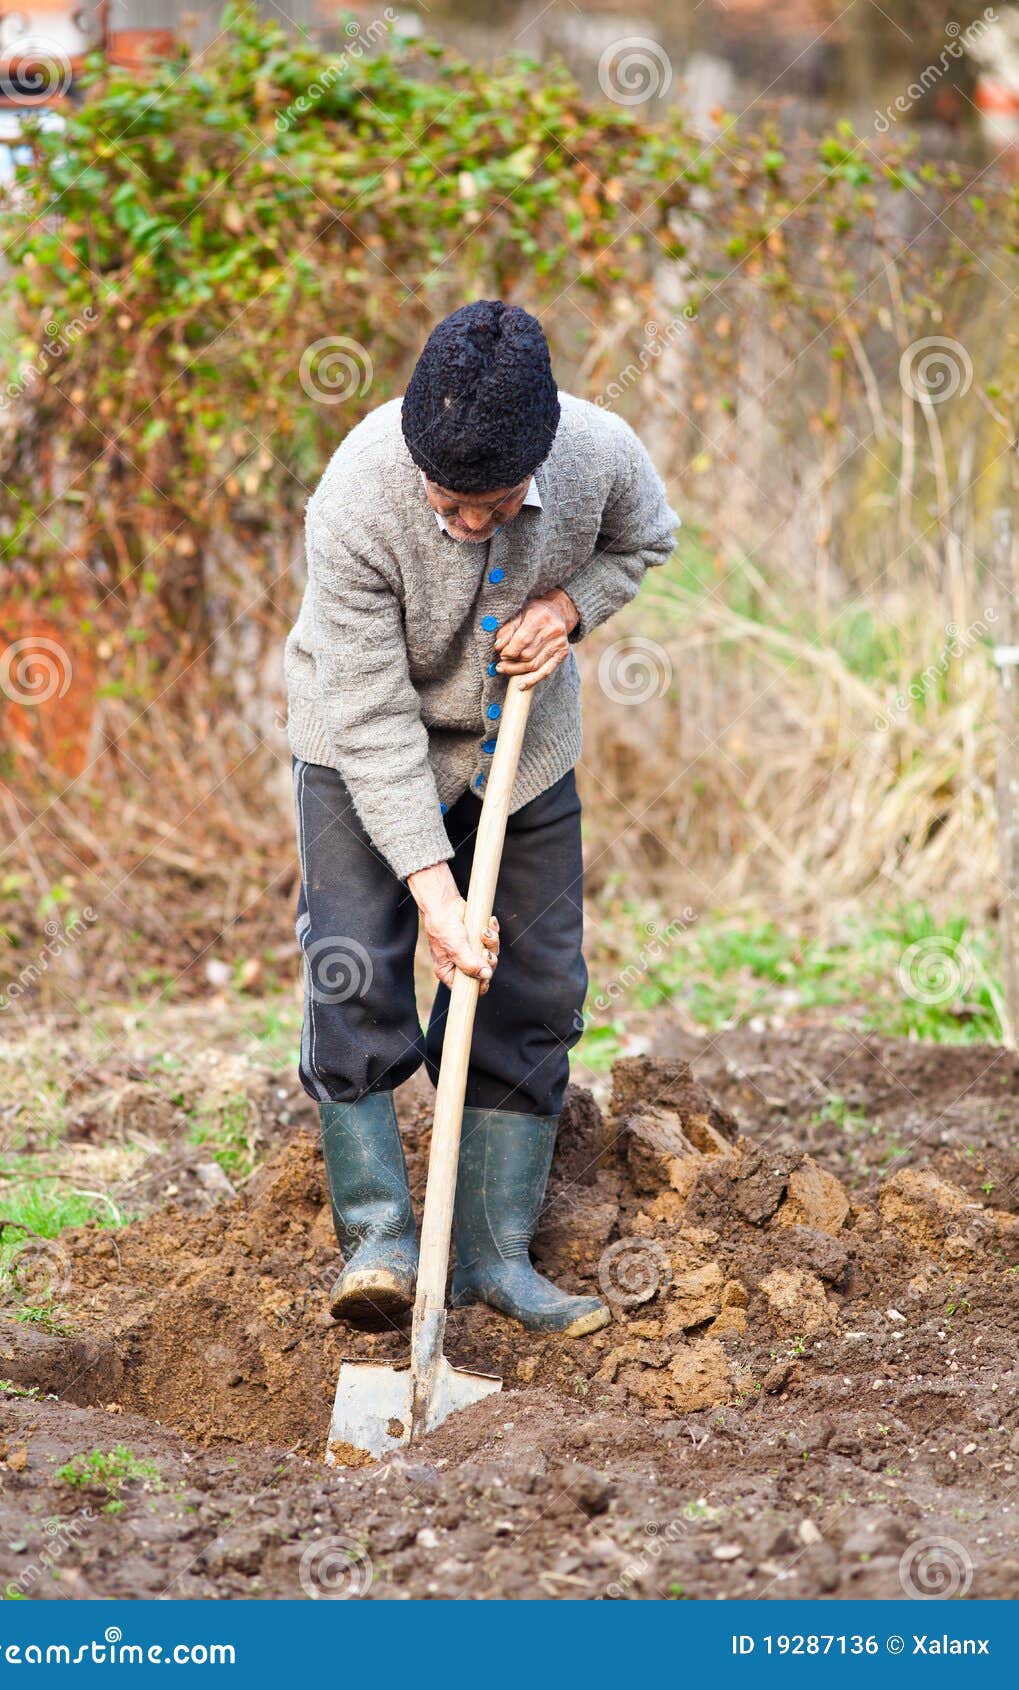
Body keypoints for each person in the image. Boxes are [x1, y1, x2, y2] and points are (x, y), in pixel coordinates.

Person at [285, 299, 678, 1336]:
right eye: (445, 500)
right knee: (353, 966)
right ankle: (378, 1239)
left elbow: (647, 539)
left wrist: (568, 607)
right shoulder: (357, 498)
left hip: (524, 750)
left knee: (536, 981)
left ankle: (492, 1256)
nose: (465, 523)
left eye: (491, 505)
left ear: (538, 463)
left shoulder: (600, 453)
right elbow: (366, 714)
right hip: (364, 741)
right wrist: (433, 890)